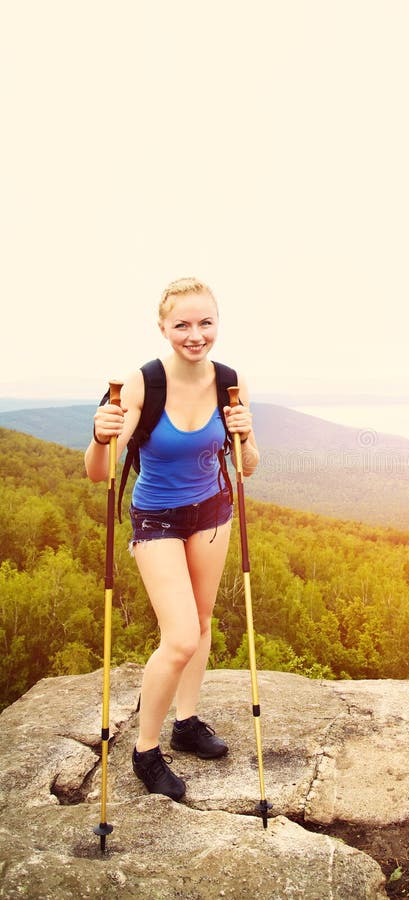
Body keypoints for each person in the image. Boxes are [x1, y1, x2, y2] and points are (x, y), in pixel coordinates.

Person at [84, 277, 259, 800]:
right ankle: (145, 750)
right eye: (182, 324)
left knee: (202, 623)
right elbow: (98, 473)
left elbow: (247, 467)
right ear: (163, 328)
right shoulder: (142, 384)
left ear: (217, 324)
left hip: (213, 513)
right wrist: (99, 435)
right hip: (156, 518)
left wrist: (246, 435)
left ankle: (187, 721)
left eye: (205, 322)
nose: (195, 334)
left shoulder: (230, 381)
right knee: (180, 635)